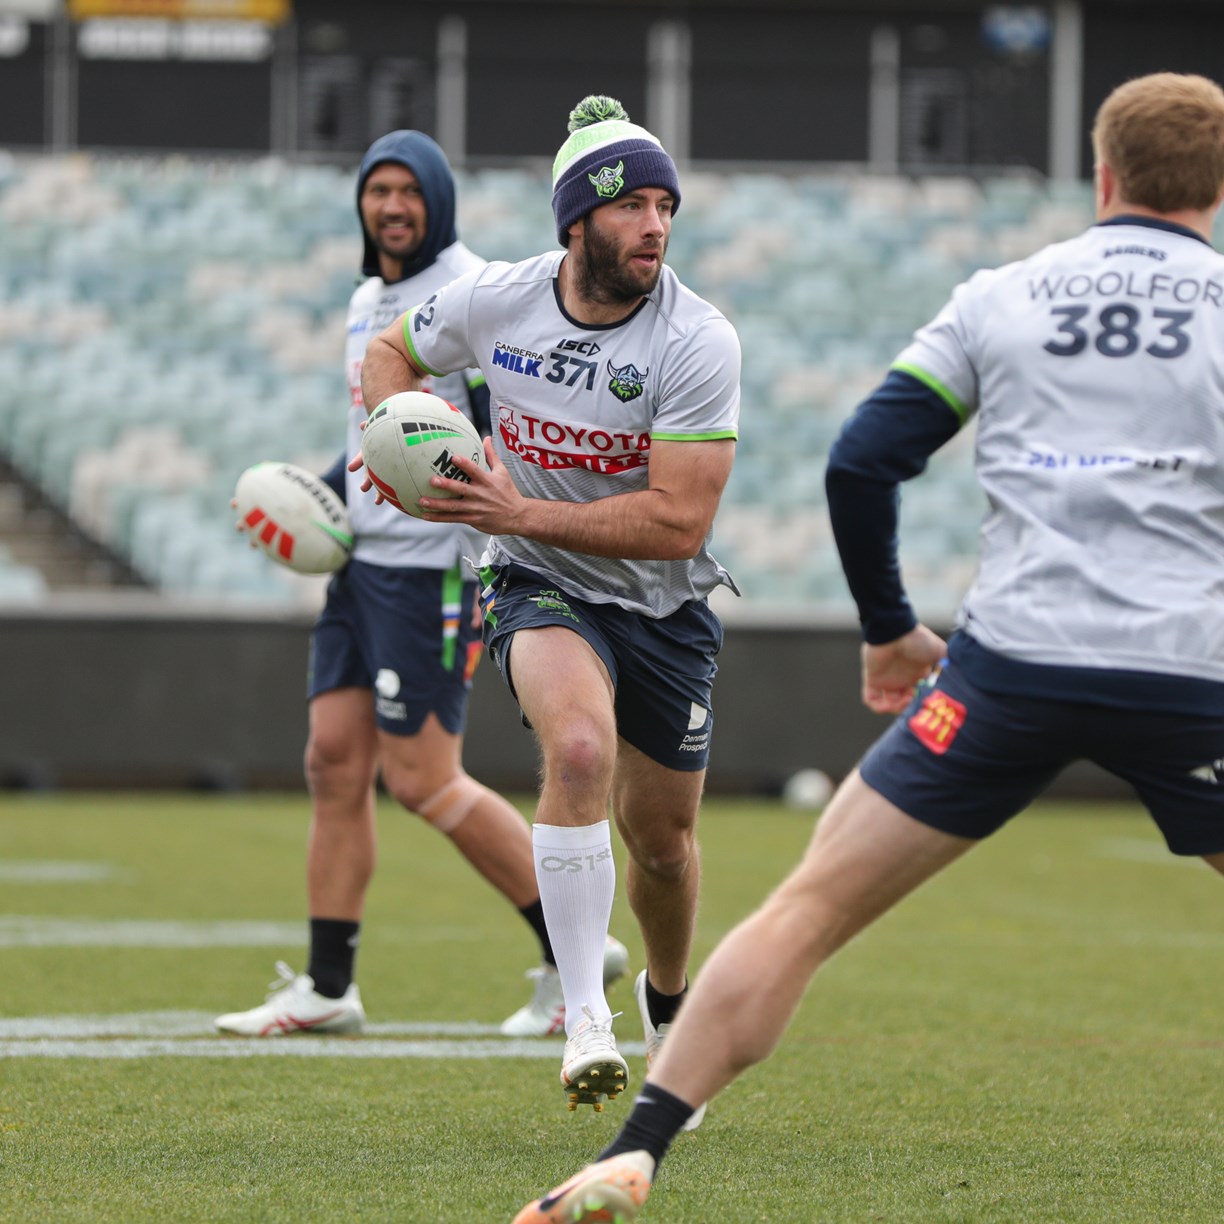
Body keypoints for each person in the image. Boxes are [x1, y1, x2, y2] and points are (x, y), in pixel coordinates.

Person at [512, 70, 1224, 1222]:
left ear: (1103, 176)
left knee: (806, 912)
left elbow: (861, 460)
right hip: (1191, 670)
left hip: (1008, 671)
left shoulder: (1005, 294)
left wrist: (891, 629)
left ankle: (638, 1151)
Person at [354, 96, 741, 1116]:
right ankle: (584, 1018)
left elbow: (677, 526)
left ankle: (666, 1004)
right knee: (575, 753)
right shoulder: (496, 298)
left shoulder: (698, 339)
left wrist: (514, 500)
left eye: (667, 205)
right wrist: (414, 443)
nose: (656, 225)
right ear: (576, 223)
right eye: (631, 207)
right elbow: (390, 355)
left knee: (661, 842)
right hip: (533, 579)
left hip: (662, 605)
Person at [215, 129, 627, 1040]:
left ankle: (575, 961)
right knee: (332, 761)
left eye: (408, 190)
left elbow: (494, 426)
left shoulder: (472, 293)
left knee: (426, 780)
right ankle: (328, 988)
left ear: (435, 199)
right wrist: (313, 496)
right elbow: (384, 432)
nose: (391, 206)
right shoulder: (370, 299)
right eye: (378, 191)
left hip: (432, 572)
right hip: (361, 567)